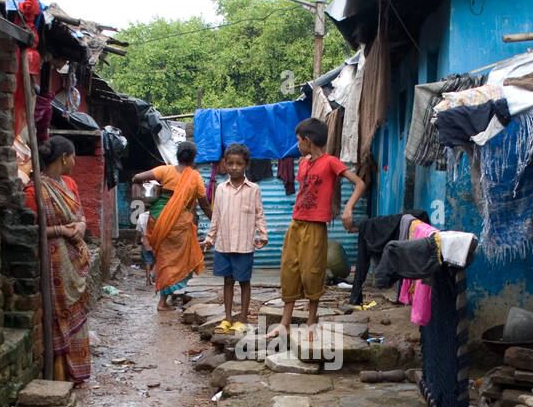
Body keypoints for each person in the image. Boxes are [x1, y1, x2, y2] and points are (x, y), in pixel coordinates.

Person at [270, 118, 366, 341]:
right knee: (289, 269)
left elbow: (360, 183)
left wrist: (348, 208)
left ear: (308, 140)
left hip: (316, 226)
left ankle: (311, 323)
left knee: (312, 272)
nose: (298, 145)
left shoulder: (331, 162)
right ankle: (284, 323)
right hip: (296, 223)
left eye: (299, 141)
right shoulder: (303, 163)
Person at [24, 136, 93, 384]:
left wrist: (81, 227)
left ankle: (78, 371)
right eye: (74, 157)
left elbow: (81, 215)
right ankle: (60, 375)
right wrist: (62, 231)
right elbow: (33, 230)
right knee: (57, 317)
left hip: (74, 262)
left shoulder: (70, 184)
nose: (75, 162)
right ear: (64, 158)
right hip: (53, 262)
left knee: (76, 313)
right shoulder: (34, 191)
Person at [132, 141, 211, 311]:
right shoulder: (195, 177)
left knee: (164, 258)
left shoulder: (165, 170)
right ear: (194, 158)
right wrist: (215, 220)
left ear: (177, 155)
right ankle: (162, 302)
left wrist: (139, 189)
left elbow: (137, 178)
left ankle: (162, 289)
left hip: (158, 220)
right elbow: (204, 204)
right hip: (179, 225)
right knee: (176, 260)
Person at [202, 143, 267, 331]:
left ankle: (243, 319)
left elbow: (259, 213)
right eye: (230, 163)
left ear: (246, 165)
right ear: (225, 164)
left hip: (244, 246)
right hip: (224, 245)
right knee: (227, 281)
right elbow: (216, 216)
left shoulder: (253, 189)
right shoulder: (221, 189)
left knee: (244, 282)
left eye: (238, 164)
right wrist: (209, 238)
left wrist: (262, 235)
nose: (234, 167)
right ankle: (228, 318)